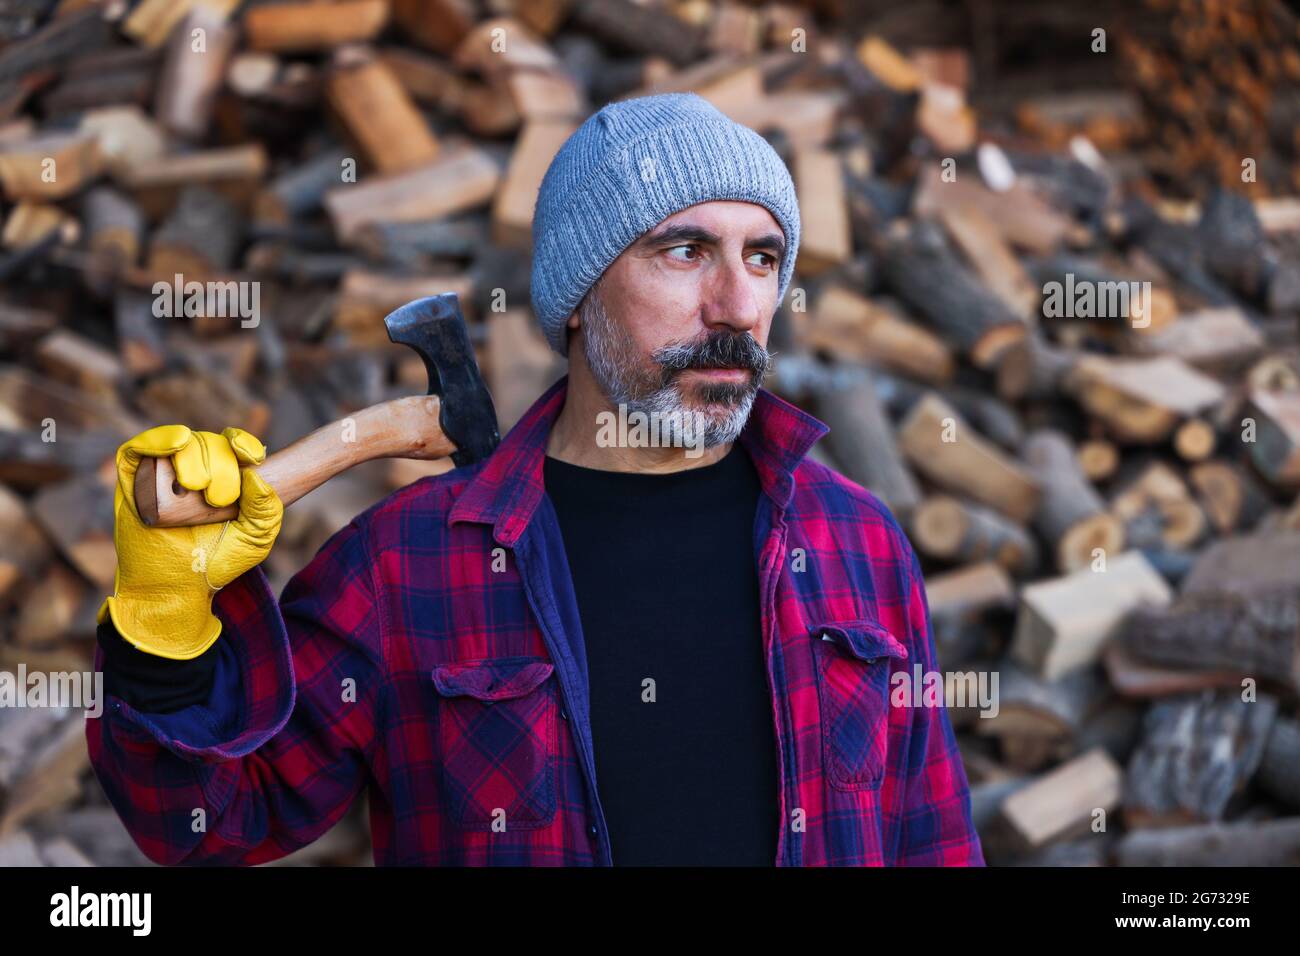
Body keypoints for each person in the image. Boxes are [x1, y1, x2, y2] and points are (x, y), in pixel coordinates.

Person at [88, 92, 984, 866]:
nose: (740, 305)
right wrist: (162, 628)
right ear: (579, 291)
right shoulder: (405, 568)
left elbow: (935, 840)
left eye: (761, 257)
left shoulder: (855, 542)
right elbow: (211, 823)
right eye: (685, 251)